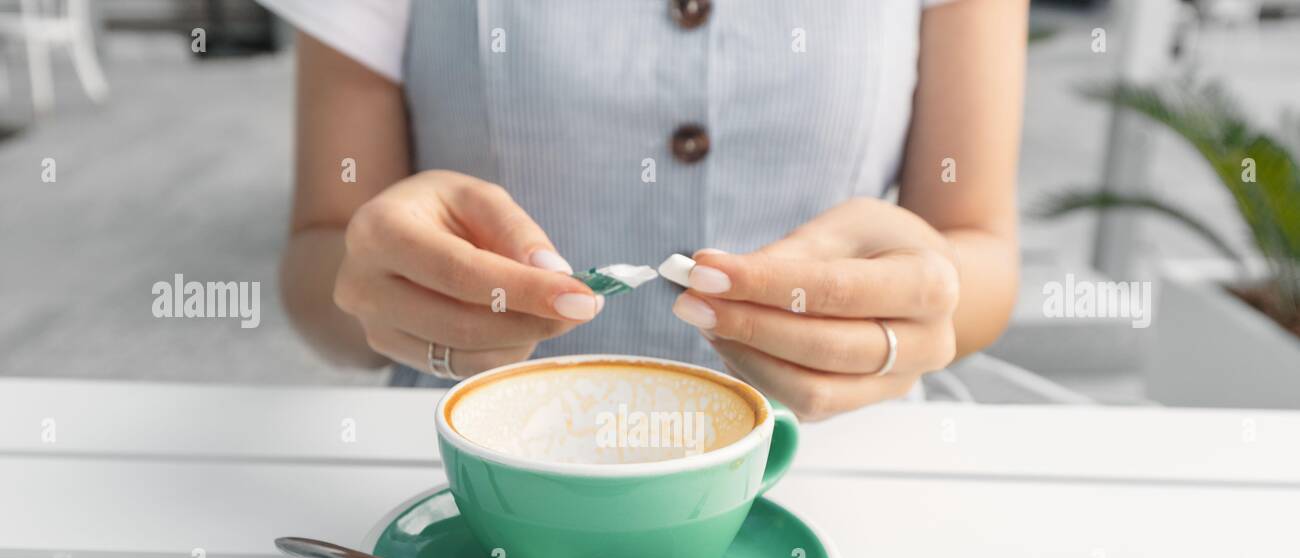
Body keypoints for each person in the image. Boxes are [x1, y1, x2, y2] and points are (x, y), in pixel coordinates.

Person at [265, 0, 1026, 420]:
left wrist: (920, 304)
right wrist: (376, 287)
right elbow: (320, 258)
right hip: (479, 483)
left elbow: (979, 247)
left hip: (842, 479)